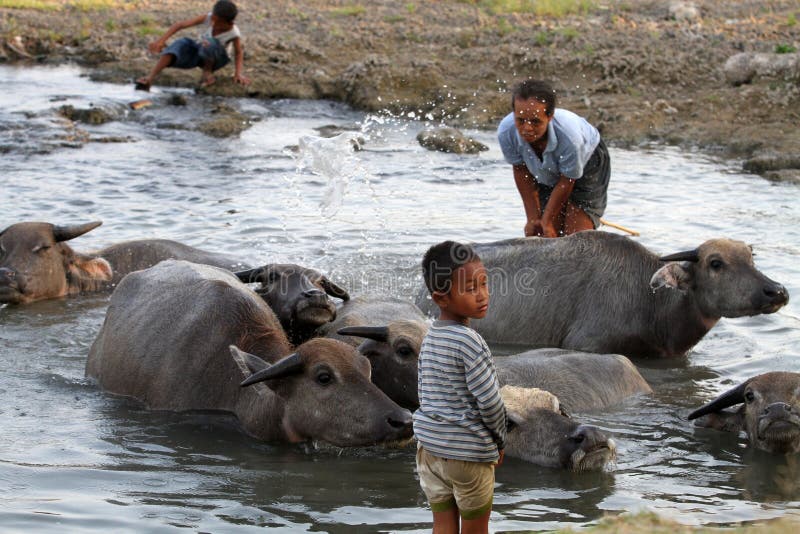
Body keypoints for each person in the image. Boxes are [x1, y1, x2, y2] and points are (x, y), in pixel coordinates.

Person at [413, 240, 507, 534]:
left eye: (484, 283)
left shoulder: (430, 338)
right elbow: (490, 402)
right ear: (441, 299)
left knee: (442, 525)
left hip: (429, 451)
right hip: (467, 455)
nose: (482, 295)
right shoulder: (470, 341)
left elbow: (426, 393)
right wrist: (499, 440)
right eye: (470, 289)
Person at [497, 79, 610, 238]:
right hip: (547, 167)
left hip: (588, 162)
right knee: (544, 236)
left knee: (575, 241)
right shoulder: (506, 132)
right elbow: (521, 170)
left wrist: (547, 219)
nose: (527, 128)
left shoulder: (570, 138)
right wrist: (533, 218)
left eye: (535, 122)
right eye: (520, 120)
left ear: (550, 116)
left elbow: (567, 180)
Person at [135, 0, 250, 91]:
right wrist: (160, 41)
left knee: (209, 43)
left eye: (217, 20)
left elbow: (239, 52)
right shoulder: (209, 18)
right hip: (199, 52)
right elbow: (180, 25)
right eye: (213, 18)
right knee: (179, 44)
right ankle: (150, 78)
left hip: (216, 58)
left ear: (229, 22)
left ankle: (207, 72)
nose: (213, 21)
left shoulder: (234, 33)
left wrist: (238, 73)